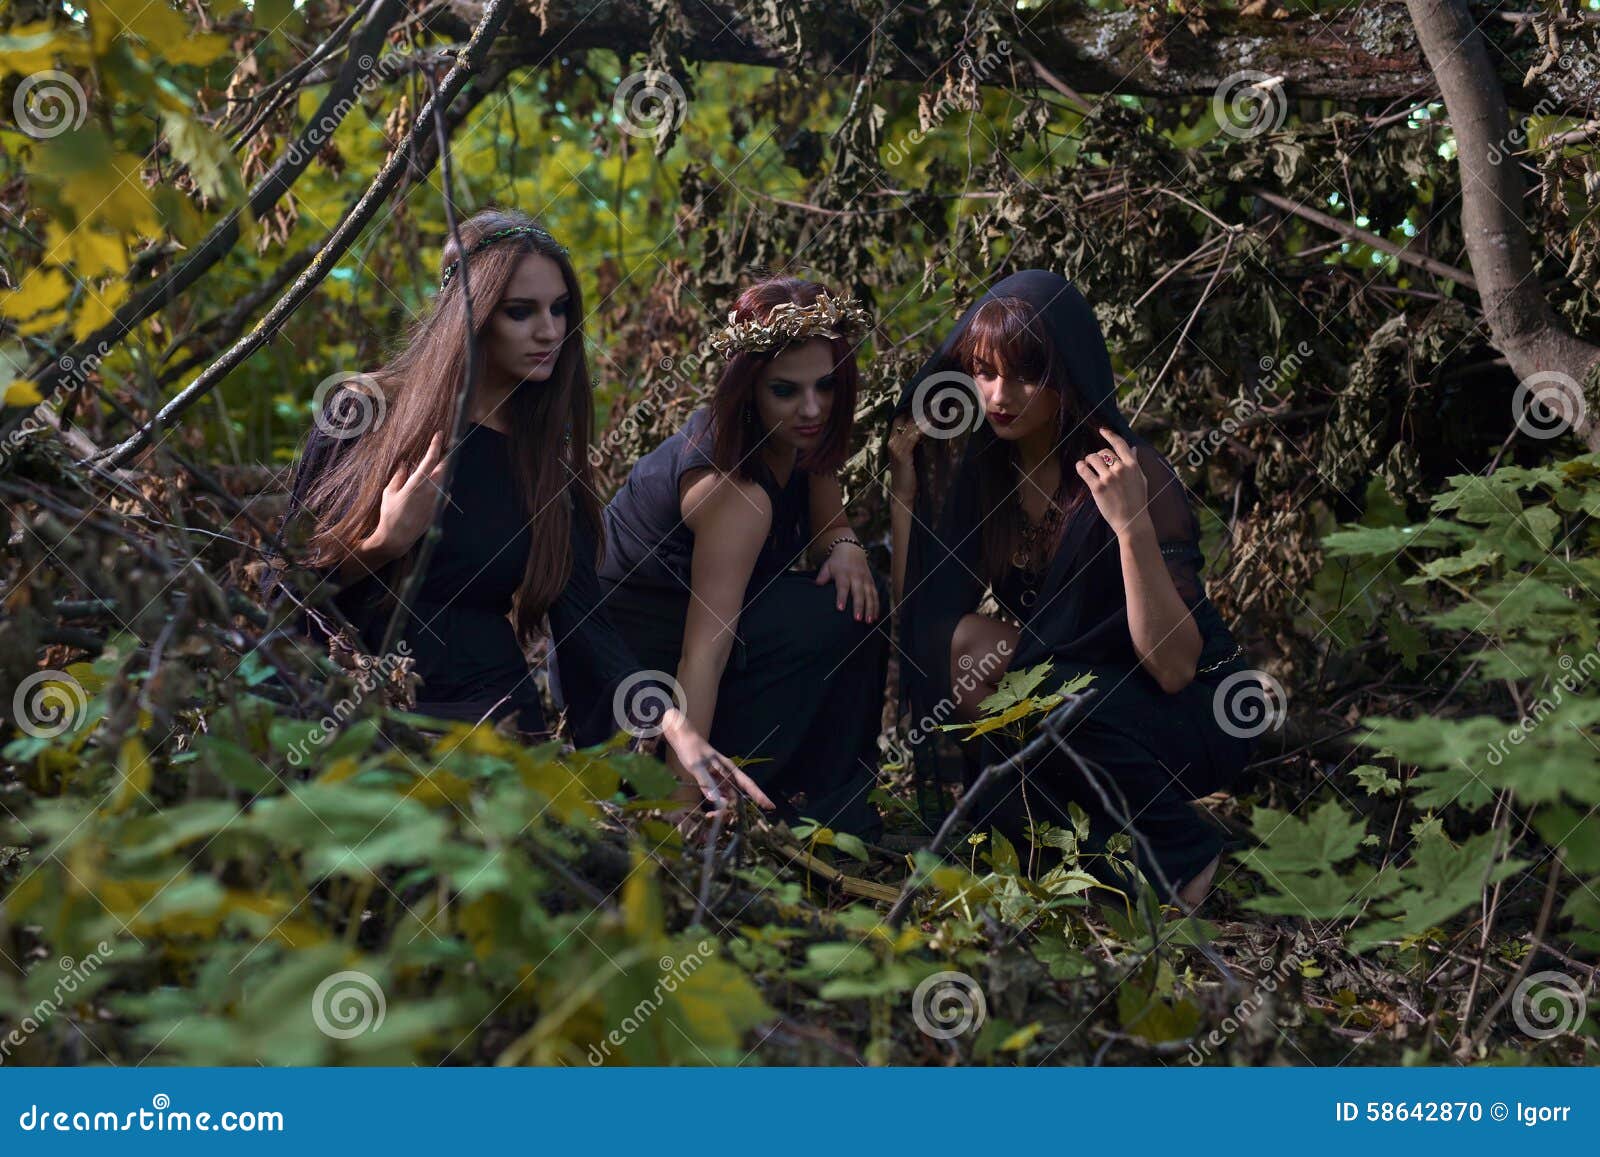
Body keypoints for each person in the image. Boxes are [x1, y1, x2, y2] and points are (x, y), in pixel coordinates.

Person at [272, 207, 767, 812]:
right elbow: (282, 590)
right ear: (470, 316)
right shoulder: (364, 411)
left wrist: (674, 727)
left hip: (488, 712)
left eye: (560, 309)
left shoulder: (543, 462)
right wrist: (383, 543)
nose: (549, 330)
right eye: (520, 312)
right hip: (354, 695)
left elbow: (587, 630)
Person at [889, 270, 1257, 907]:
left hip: (1192, 706)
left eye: (1027, 375)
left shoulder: (1131, 474)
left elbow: (1173, 667)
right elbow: (921, 621)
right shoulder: (992, 474)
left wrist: (1129, 524)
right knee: (965, 652)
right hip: (1082, 692)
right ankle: (1085, 863)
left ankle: (1188, 859)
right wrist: (905, 486)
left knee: (1048, 694)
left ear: (1069, 376)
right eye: (983, 371)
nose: (1000, 395)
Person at [579, 277, 888, 838]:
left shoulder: (797, 440)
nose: (812, 407)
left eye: (826, 385)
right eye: (786, 391)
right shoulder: (734, 492)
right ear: (748, 389)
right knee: (831, 619)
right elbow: (704, 653)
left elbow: (831, 523)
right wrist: (679, 806)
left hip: (689, 656)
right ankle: (753, 803)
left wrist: (846, 549)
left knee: (858, 599)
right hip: (629, 692)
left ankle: (820, 805)